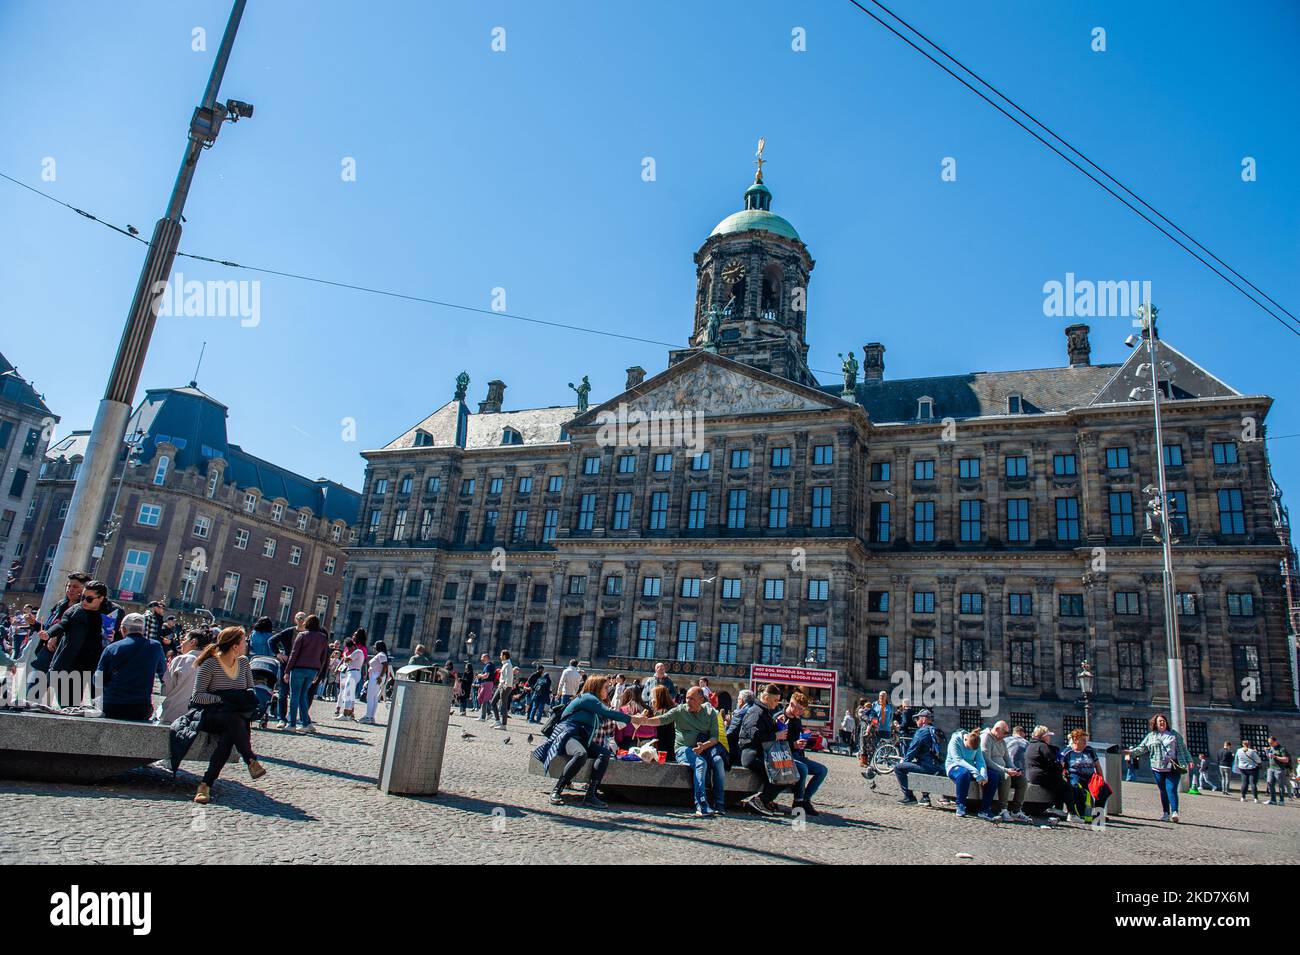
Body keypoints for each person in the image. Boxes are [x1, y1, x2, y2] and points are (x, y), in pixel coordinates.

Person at [190, 626, 266, 804]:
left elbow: (250, 690)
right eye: (244, 641)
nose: (247, 644)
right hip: (211, 714)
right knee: (234, 721)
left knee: (229, 735)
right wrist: (221, 699)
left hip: (234, 716)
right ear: (234, 646)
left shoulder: (244, 663)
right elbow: (197, 696)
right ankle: (250, 759)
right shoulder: (210, 664)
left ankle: (205, 784)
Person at [533, 675, 632, 808]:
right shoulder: (587, 698)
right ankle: (557, 789)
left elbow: (610, 719)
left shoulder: (595, 703)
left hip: (581, 739)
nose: (607, 690)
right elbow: (608, 713)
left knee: (604, 753)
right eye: (606, 687)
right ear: (597, 687)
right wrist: (633, 719)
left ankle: (591, 794)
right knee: (581, 754)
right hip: (567, 735)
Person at [635, 686, 726, 816]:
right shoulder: (680, 710)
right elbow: (662, 720)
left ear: (701, 699)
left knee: (718, 761)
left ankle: (720, 804)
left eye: (692, 699)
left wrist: (703, 746)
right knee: (701, 763)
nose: (688, 701)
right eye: (687, 698)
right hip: (683, 749)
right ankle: (701, 804)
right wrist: (645, 721)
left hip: (704, 748)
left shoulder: (710, 713)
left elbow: (715, 737)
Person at [44, 579, 109, 707]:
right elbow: (62, 624)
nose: (84, 601)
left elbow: (116, 635)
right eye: (83, 597)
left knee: (97, 708)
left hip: (94, 665)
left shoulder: (110, 613)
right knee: (67, 705)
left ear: (101, 598)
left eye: (89, 599)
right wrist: (49, 633)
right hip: (69, 664)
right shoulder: (74, 610)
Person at [95, 612, 166, 721]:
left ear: (123, 629)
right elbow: (164, 676)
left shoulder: (112, 648)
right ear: (143, 630)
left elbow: (98, 679)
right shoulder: (156, 647)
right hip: (140, 707)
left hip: (112, 704)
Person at [736, 683, 793, 816]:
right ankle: (760, 800)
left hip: (760, 753)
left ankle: (764, 800)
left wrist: (776, 725)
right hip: (751, 755)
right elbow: (754, 735)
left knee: (786, 773)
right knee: (782, 774)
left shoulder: (764, 711)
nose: (777, 703)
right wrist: (775, 735)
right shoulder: (756, 711)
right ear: (766, 697)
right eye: (775, 700)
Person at [1131, 714, 1192, 822]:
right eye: (1159, 721)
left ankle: (1174, 812)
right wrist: (1131, 752)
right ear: (1155, 724)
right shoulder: (1151, 736)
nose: (1162, 723)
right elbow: (1143, 748)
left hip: (1173, 766)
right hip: (1157, 768)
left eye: (1163, 721)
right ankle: (1165, 813)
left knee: (1171, 789)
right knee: (1163, 791)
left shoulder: (1174, 735)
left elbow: (1183, 748)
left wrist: (1189, 760)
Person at [783, 692, 827, 816]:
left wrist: (803, 743)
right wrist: (794, 745)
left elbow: (797, 739)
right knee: (803, 768)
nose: (802, 712)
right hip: (785, 756)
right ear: (791, 704)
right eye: (800, 708)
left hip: (797, 755)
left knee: (822, 770)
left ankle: (806, 800)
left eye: (803, 709)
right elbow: (777, 742)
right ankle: (798, 801)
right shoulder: (781, 718)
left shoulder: (797, 719)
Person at [285, 615, 330, 732]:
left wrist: (287, 671)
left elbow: (294, 654)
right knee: (303, 696)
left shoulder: (302, 635)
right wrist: (318, 672)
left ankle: (291, 724)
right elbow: (323, 657)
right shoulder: (323, 638)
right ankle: (306, 723)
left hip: (299, 668)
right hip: (313, 670)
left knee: (294, 696)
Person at [161, 629, 212, 725]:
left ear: (193, 642)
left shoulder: (181, 659)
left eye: (184, 639)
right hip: (197, 721)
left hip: (173, 716)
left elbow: (166, 690)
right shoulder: (211, 664)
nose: (181, 643)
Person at [893, 709, 944, 805]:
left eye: (918, 718)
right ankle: (925, 798)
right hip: (939, 766)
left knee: (898, 768)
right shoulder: (936, 730)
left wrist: (904, 762)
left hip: (928, 767)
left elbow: (912, 750)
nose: (916, 721)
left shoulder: (922, 732)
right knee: (921, 765)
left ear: (924, 719)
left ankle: (909, 797)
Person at [983, 721, 1030, 822]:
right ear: (997, 729)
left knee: (1022, 781)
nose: (1006, 735)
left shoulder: (1002, 741)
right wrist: (1006, 770)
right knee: (1006, 777)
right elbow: (987, 760)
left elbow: (1007, 759)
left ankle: (1016, 810)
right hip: (991, 770)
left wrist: (1014, 769)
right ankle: (1002, 809)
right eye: (1004, 733)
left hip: (1003, 769)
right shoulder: (986, 738)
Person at [1059, 728, 1107, 823]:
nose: (1085, 742)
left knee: (1103, 790)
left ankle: (1098, 815)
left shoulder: (1089, 750)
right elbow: (1060, 766)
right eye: (1083, 740)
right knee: (1076, 787)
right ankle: (1078, 812)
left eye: (1086, 740)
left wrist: (1101, 778)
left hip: (1090, 777)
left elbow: (1097, 765)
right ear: (1075, 740)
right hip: (1075, 776)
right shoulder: (1067, 751)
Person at [946, 727, 996, 819]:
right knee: (964, 774)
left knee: (994, 776)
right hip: (955, 766)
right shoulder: (955, 740)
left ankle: (985, 809)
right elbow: (958, 760)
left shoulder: (976, 742)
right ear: (965, 739)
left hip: (972, 768)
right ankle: (960, 805)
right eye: (969, 748)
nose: (970, 751)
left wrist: (983, 775)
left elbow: (980, 761)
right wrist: (976, 773)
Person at [269, 613, 306, 728]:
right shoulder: (289, 631)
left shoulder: (307, 634)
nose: (300, 621)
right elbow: (271, 641)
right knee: (283, 692)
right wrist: (278, 654)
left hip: (300, 665)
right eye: (299, 618)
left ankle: (293, 718)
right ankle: (281, 718)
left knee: (297, 693)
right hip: (285, 664)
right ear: (295, 620)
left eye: (303, 619)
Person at [1025, 726, 1070, 818]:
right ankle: (1070, 812)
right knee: (1066, 786)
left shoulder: (1030, 745)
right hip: (1041, 776)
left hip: (1031, 775)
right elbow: (1052, 762)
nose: (1049, 738)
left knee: (1058, 782)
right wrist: (1060, 767)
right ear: (1044, 736)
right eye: (1048, 735)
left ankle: (1057, 808)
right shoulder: (1043, 746)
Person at [361, 640, 391, 725]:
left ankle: (368, 716)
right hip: (376, 676)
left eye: (375, 645)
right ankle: (371, 717)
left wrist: (380, 676)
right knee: (374, 697)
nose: (373, 647)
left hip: (376, 676)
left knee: (370, 697)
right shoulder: (381, 654)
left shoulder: (381, 654)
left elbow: (385, 665)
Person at [335, 638, 364, 720]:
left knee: (348, 693)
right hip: (354, 672)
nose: (349, 649)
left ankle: (345, 714)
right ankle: (349, 713)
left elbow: (347, 659)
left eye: (350, 647)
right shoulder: (358, 652)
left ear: (353, 646)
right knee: (350, 694)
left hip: (353, 672)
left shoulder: (357, 652)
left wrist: (344, 654)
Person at [1264, 736, 1290, 806]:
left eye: (1271, 743)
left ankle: (1281, 800)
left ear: (1275, 741)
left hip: (1279, 769)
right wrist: (1266, 752)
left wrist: (1275, 756)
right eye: (1269, 743)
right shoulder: (1271, 748)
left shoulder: (1282, 749)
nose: (1270, 744)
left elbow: (1286, 759)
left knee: (1280, 785)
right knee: (1270, 783)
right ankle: (1273, 800)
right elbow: (1269, 757)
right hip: (1271, 768)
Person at [492, 649, 514, 729]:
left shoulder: (508, 664)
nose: (500, 656)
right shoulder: (505, 664)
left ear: (504, 656)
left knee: (503, 706)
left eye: (501, 655)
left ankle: (504, 725)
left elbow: (509, 677)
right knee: (493, 702)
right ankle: (497, 721)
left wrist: (505, 686)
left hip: (505, 687)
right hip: (501, 686)